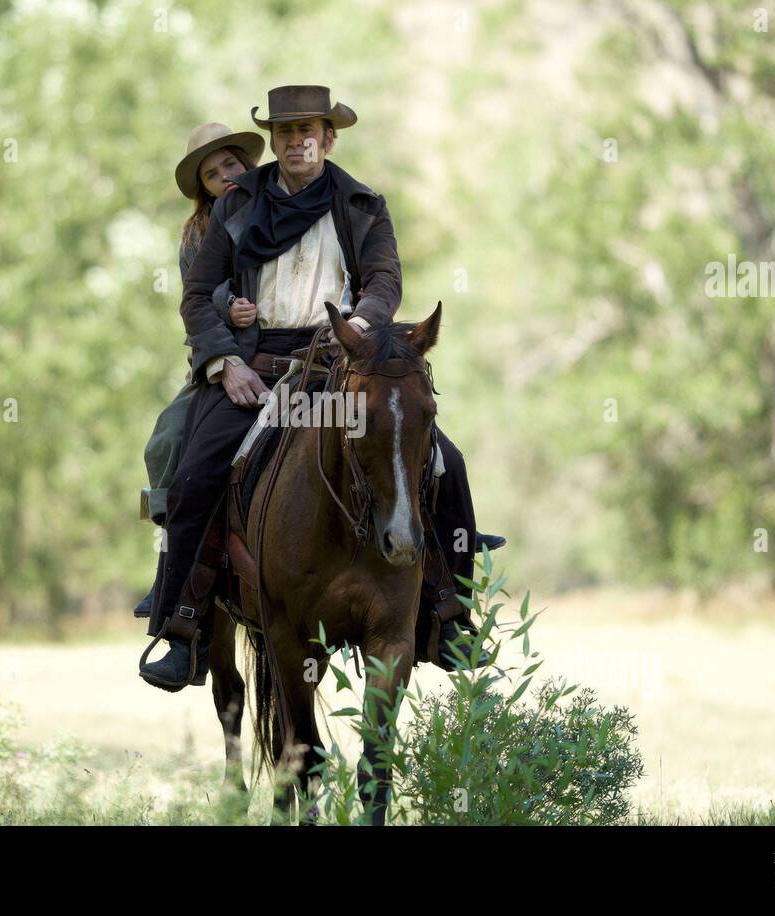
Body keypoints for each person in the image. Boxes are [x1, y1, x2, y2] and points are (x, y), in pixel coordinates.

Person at [140, 87, 501, 691]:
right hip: (254, 369)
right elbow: (198, 296)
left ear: (328, 138)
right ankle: (184, 627)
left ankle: (449, 614)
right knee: (196, 472)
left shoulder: (362, 204)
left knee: (444, 462)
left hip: (337, 364)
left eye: (307, 130)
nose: (296, 142)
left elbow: (385, 279)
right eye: (285, 132)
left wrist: (361, 323)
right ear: (273, 141)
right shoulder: (238, 204)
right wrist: (226, 363)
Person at [133, 123, 264, 618]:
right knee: (168, 437)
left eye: (230, 163)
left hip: (291, 349)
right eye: (212, 174)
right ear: (203, 187)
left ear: (246, 163)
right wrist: (228, 308)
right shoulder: (196, 235)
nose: (225, 175)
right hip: (223, 355)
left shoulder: (279, 207)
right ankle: (170, 564)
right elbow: (196, 298)